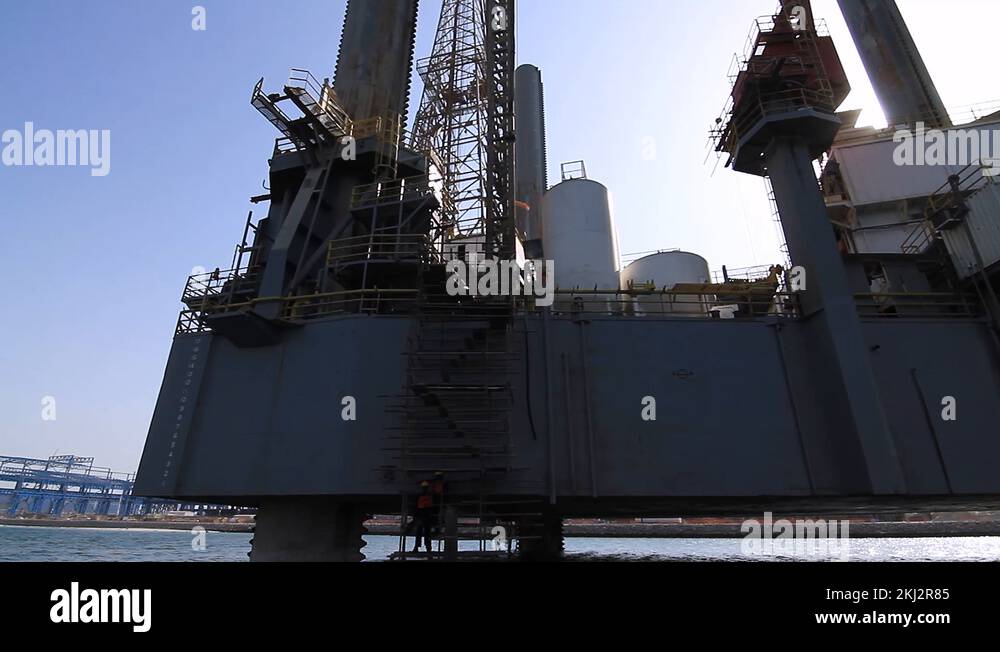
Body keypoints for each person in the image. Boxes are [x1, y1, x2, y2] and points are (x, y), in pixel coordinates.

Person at [405, 481, 434, 553]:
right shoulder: (429, 496)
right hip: (425, 517)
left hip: (422, 516)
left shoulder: (420, 496)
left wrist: (415, 516)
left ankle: (418, 548)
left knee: (419, 533)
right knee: (426, 534)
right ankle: (427, 549)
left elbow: (417, 507)